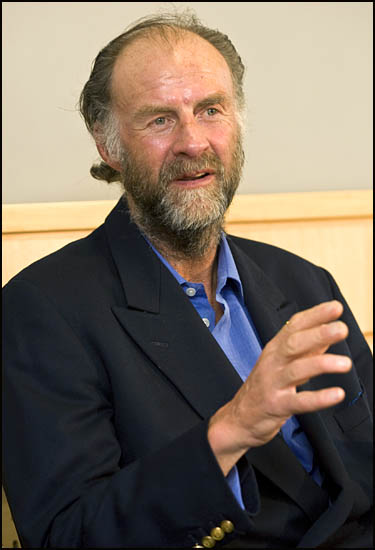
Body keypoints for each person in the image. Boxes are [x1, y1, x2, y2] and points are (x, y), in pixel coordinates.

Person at [3, 11, 372, 549]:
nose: (193, 142)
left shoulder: (306, 281)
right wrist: (230, 430)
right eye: (160, 119)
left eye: (210, 110)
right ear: (108, 146)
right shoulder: (41, 309)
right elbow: (69, 535)